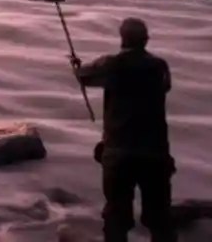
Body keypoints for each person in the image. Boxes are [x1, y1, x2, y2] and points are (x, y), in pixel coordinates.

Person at [72, 17, 176, 242]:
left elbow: (84, 77)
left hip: (119, 153)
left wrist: (77, 66)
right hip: (155, 152)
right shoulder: (159, 66)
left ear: (122, 38)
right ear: (146, 40)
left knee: (117, 217)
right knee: (160, 217)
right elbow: (166, 87)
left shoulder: (111, 65)